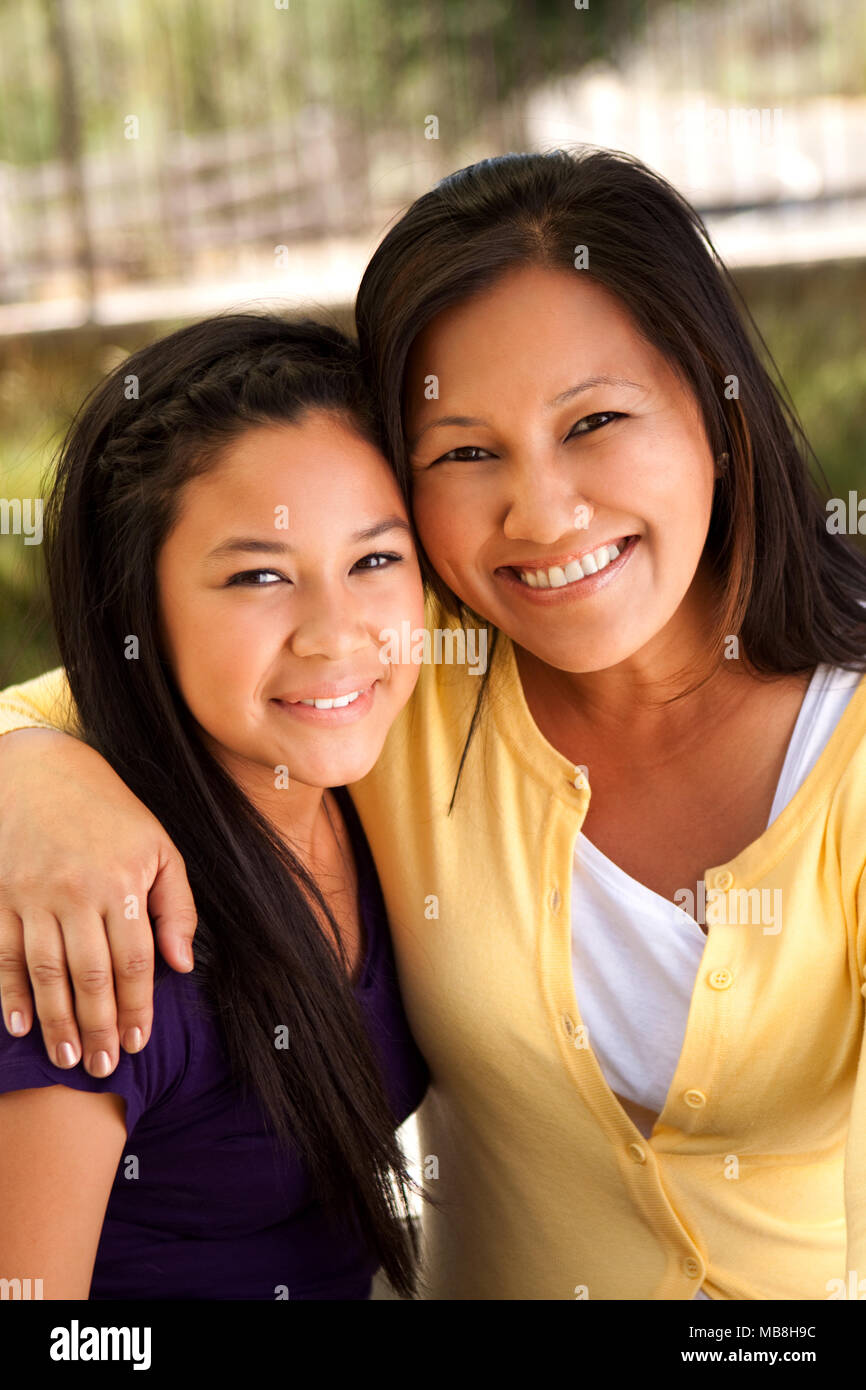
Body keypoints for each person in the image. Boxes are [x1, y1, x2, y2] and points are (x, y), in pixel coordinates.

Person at [2, 147, 866, 1300]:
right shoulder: (400, 679)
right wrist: (31, 775)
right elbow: (109, 693)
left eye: (595, 418)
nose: (543, 512)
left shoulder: (843, 751)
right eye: (463, 450)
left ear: (716, 412)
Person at [0, 312, 430, 1300]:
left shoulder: (370, 804)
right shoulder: (92, 933)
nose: (335, 636)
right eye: (258, 576)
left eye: (373, 560)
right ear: (135, 611)